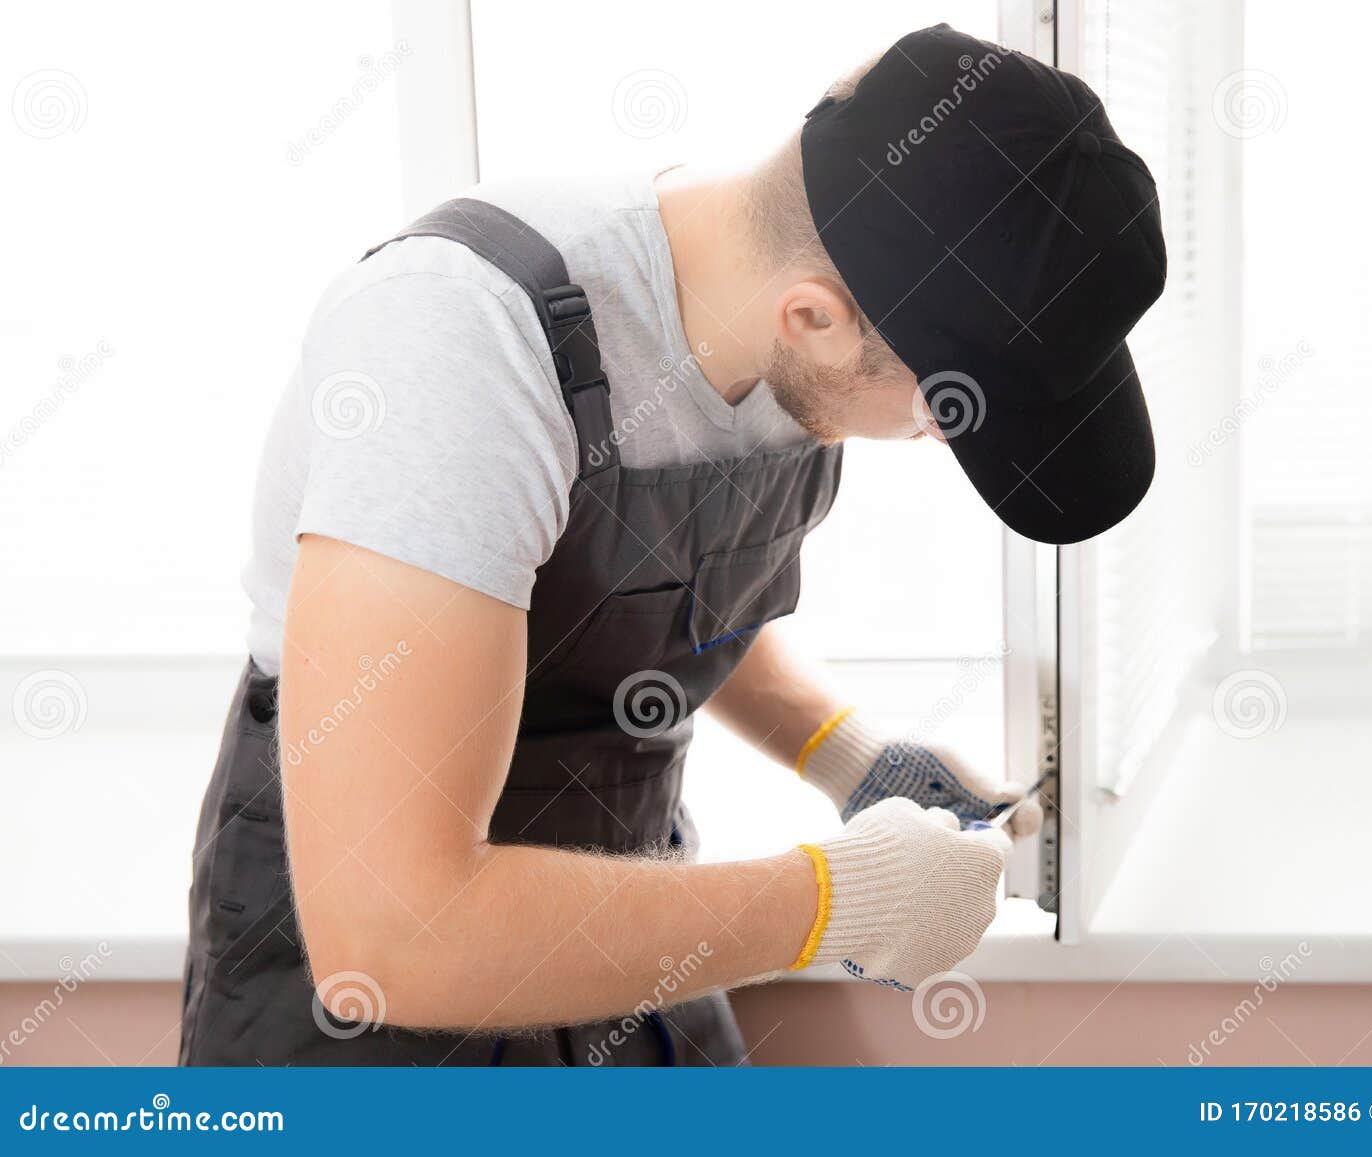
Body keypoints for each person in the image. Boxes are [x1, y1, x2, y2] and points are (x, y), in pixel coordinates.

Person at [180, 23, 1165, 1065]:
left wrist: (841, 749)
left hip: (619, 915)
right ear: (815, 318)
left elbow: (640, 592)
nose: (933, 437)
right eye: (941, 411)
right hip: (379, 1018)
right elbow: (392, 934)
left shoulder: (768, 325)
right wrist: (838, 897)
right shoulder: (460, 345)